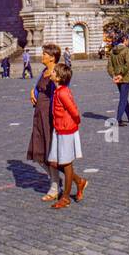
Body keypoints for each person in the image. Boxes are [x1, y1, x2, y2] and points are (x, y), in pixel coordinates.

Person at [48, 62, 89, 209]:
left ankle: (65, 197)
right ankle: (79, 181)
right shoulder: (58, 90)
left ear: (58, 78)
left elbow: (74, 111)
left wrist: (74, 122)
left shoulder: (63, 92)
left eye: (53, 72)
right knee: (55, 162)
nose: (51, 73)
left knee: (66, 163)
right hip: (59, 129)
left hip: (66, 130)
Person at [28, 43, 63, 200]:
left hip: (50, 116)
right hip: (39, 114)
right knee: (39, 150)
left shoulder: (57, 72)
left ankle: (55, 186)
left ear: (52, 57)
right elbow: (37, 87)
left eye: (44, 54)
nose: (42, 56)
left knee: (50, 152)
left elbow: (61, 93)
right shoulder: (44, 71)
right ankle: (58, 180)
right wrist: (33, 91)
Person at [106, 33, 129, 126]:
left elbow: (109, 66)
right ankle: (118, 119)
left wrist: (114, 75)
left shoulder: (112, 51)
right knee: (123, 98)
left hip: (117, 78)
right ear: (125, 40)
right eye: (128, 40)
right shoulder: (127, 50)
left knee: (124, 96)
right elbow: (127, 65)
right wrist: (121, 74)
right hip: (125, 77)